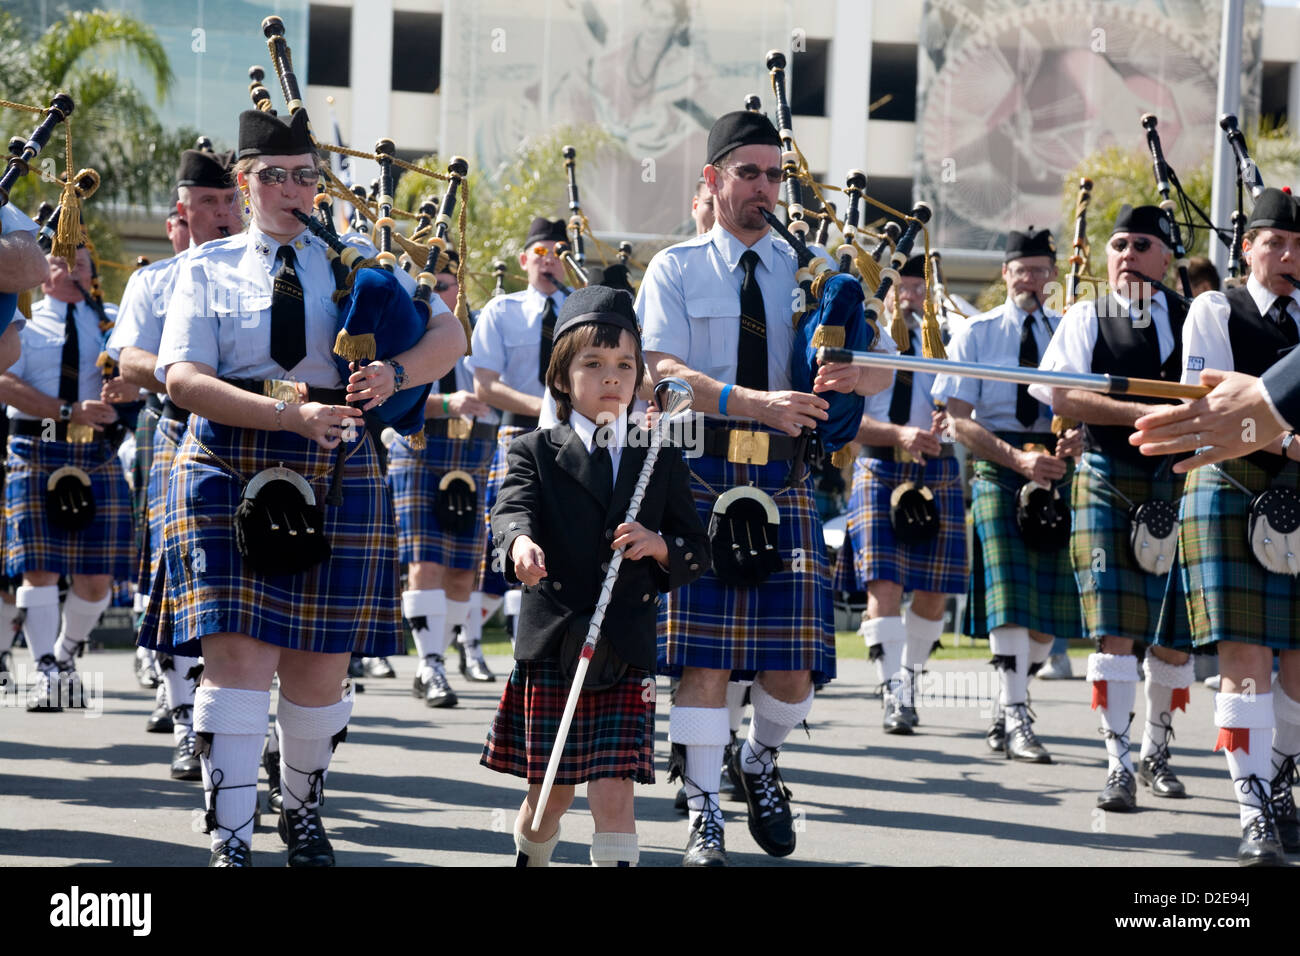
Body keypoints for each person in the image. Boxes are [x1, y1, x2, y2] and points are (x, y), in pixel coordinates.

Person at [137, 107, 465, 867]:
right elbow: (182, 379)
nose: (293, 189)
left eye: (306, 177)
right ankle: (231, 833)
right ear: (245, 184)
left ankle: (303, 808)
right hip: (224, 463)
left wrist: (396, 373)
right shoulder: (205, 269)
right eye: (275, 176)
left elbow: (450, 335)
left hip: (338, 466)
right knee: (241, 661)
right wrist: (289, 416)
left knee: (319, 666)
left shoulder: (360, 263)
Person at [637, 110, 889, 865]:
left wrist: (854, 375)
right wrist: (756, 403)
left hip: (783, 476)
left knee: (793, 663)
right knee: (704, 661)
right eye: (748, 173)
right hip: (700, 471)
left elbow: (886, 367)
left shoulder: (818, 270)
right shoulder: (675, 269)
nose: (765, 188)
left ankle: (760, 761)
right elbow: (662, 379)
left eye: (775, 175)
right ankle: (706, 813)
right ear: (712, 181)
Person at [484, 285, 708, 867]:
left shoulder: (658, 453)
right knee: (549, 798)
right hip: (557, 639)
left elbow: (695, 547)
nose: (612, 376)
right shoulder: (534, 449)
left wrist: (660, 546)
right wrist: (520, 545)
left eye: (624, 365)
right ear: (562, 377)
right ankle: (531, 857)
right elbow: (511, 512)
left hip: (624, 642)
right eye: (594, 363)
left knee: (615, 795)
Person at [1029, 205, 1194, 811]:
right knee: (1115, 632)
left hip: (1179, 482)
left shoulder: (1195, 315)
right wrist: (1143, 417)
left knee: (1173, 637)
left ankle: (1157, 749)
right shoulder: (1085, 315)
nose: (1126, 253)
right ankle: (1118, 763)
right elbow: (1064, 392)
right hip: (1106, 477)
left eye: (1141, 243)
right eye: (1118, 243)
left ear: (1166, 257)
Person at [1155, 188, 1300, 865]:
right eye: (1275, 243)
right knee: (1243, 659)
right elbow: (1211, 406)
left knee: (1299, 670)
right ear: (1247, 248)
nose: (1289, 256)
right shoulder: (1217, 308)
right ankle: (1253, 812)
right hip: (1230, 483)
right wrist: (1291, 442)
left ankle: (1276, 779)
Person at [107, 145, 241, 776]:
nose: (221, 213)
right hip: (181, 437)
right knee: (184, 580)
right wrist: (185, 376)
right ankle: (187, 721)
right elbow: (128, 358)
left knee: (252, 589)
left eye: (228, 200)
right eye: (207, 203)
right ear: (182, 211)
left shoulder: (271, 276)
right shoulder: (154, 281)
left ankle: (248, 726)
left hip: (263, 445)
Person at [932, 227, 1083, 763]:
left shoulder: (1070, 331)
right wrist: (1018, 459)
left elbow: (1087, 407)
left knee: (1047, 620)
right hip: (999, 469)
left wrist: (1077, 438)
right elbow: (956, 421)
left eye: (1042, 270)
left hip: (1058, 472)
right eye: (1023, 269)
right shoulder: (976, 334)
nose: (1032, 280)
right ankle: (1018, 716)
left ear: (1052, 276)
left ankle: (1007, 704)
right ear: (1006, 274)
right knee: (1009, 600)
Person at [0, 243, 130, 712]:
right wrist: (67, 409)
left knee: (97, 578)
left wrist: (128, 384)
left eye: (80, 262)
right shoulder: (22, 317)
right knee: (39, 567)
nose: (70, 269)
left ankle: (64, 653)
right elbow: (2, 380)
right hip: (36, 443)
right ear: (41, 270)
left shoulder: (110, 318)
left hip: (94, 449)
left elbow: (138, 368)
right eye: (59, 260)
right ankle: (45, 674)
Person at [841, 254, 963, 734]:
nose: (910, 297)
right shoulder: (867, 342)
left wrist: (947, 425)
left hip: (936, 471)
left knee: (934, 593)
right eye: (902, 288)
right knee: (884, 584)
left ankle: (910, 679)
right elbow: (848, 423)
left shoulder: (946, 344)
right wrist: (902, 435)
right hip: (878, 465)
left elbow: (965, 415)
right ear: (886, 293)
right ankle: (894, 691)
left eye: (919, 288)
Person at [388, 248, 498, 706]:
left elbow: (496, 385)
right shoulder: (400, 323)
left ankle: (442, 651)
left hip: (471, 451)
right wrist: (446, 404)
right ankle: (429, 663)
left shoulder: (482, 329)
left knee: (461, 572)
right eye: (432, 283)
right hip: (418, 444)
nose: (440, 292)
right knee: (426, 563)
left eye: (448, 284)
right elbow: (388, 399)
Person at [470, 217, 569, 658]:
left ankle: (547, 642)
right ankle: (505, 645)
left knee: (564, 539)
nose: (550, 262)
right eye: (542, 253)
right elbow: (485, 386)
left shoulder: (582, 312)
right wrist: (546, 408)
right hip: (518, 434)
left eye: (559, 253)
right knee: (517, 535)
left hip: (575, 438)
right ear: (524, 260)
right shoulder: (501, 311)